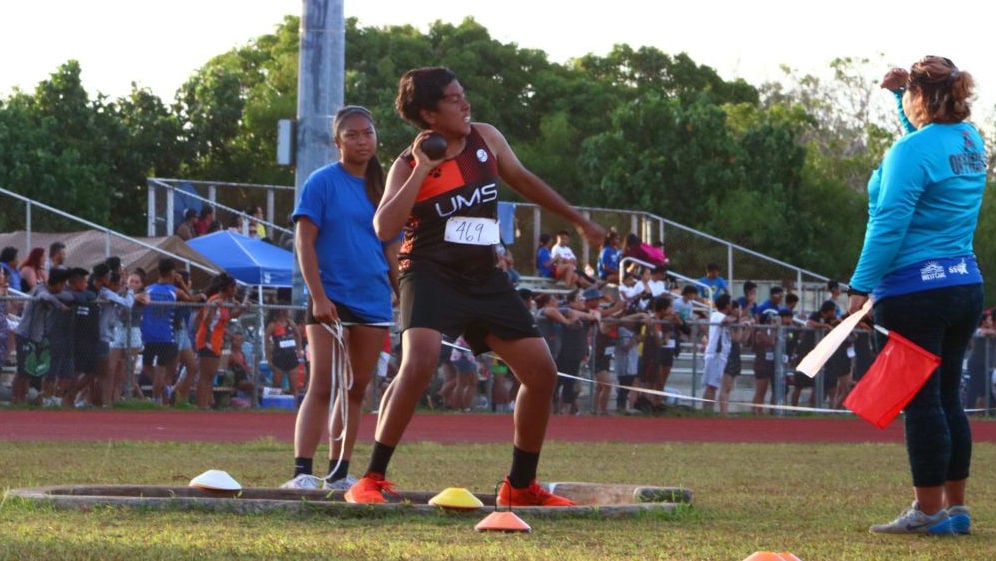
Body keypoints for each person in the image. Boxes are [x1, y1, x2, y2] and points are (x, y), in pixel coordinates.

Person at [346, 66, 605, 506]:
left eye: (464, 94)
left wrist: (577, 218)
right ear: (429, 114)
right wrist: (422, 170)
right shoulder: (408, 163)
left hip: (484, 276)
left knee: (541, 373)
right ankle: (371, 479)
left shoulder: (486, 138)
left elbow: (522, 179)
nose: (466, 104)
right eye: (453, 99)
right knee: (420, 361)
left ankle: (520, 486)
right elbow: (384, 225)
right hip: (428, 272)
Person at [847, 57, 985, 535]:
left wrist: (860, 286)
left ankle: (926, 512)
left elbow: (889, 223)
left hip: (914, 291)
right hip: (963, 284)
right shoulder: (971, 140)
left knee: (922, 403)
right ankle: (956, 508)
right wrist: (897, 97)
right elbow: (926, 143)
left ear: (919, 96)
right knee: (949, 399)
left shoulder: (909, 153)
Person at [282, 105, 399, 491]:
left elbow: (392, 249)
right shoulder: (322, 182)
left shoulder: (384, 187)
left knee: (356, 387)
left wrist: (404, 294)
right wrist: (317, 296)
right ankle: (302, 471)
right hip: (330, 296)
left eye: (368, 133)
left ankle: (339, 470)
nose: (362, 140)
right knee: (323, 382)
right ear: (337, 141)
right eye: (352, 134)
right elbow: (305, 240)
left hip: (373, 298)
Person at [193, 272, 244, 409]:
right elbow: (207, 320)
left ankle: (206, 403)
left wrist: (242, 309)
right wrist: (214, 308)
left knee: (211, 375)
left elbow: (227, 318)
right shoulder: (215, 300)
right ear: (227, 288)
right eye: (233, 288)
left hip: (217, 340)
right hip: (207, 339)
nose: (235, 291)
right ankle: (201, 404)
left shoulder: (225, 303)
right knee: (205, 374)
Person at [701, 293, 734, 412]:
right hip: (715, 353)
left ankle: (708, 410)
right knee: (712, 385)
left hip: (721, 355)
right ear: (726, 305)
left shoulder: (722, 316)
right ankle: (707, 411)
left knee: (714, 385)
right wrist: (737, 316)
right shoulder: (717, 315)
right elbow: (726, 321)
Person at [264, 308, 303, 393]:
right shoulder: (272, 325)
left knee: (294, 387)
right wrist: (269, 359)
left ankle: (294, 405)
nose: (289, 312)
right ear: (282, 311)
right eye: (288, 310)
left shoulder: (290, 323)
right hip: (279, 356)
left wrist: (299, 349)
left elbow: (298, 335)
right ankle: (274, 404)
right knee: (276, 385)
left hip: (291, 356)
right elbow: (266, 342)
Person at [964, 308, 995, 413]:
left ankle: (984, 411)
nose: (991, 322)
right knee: (974, 389)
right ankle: (970, 411)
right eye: (990, 320)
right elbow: (982, 332)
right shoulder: (977, 331)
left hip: (987, 365)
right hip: (977, 365)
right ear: (984, 321)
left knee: (986, 390)